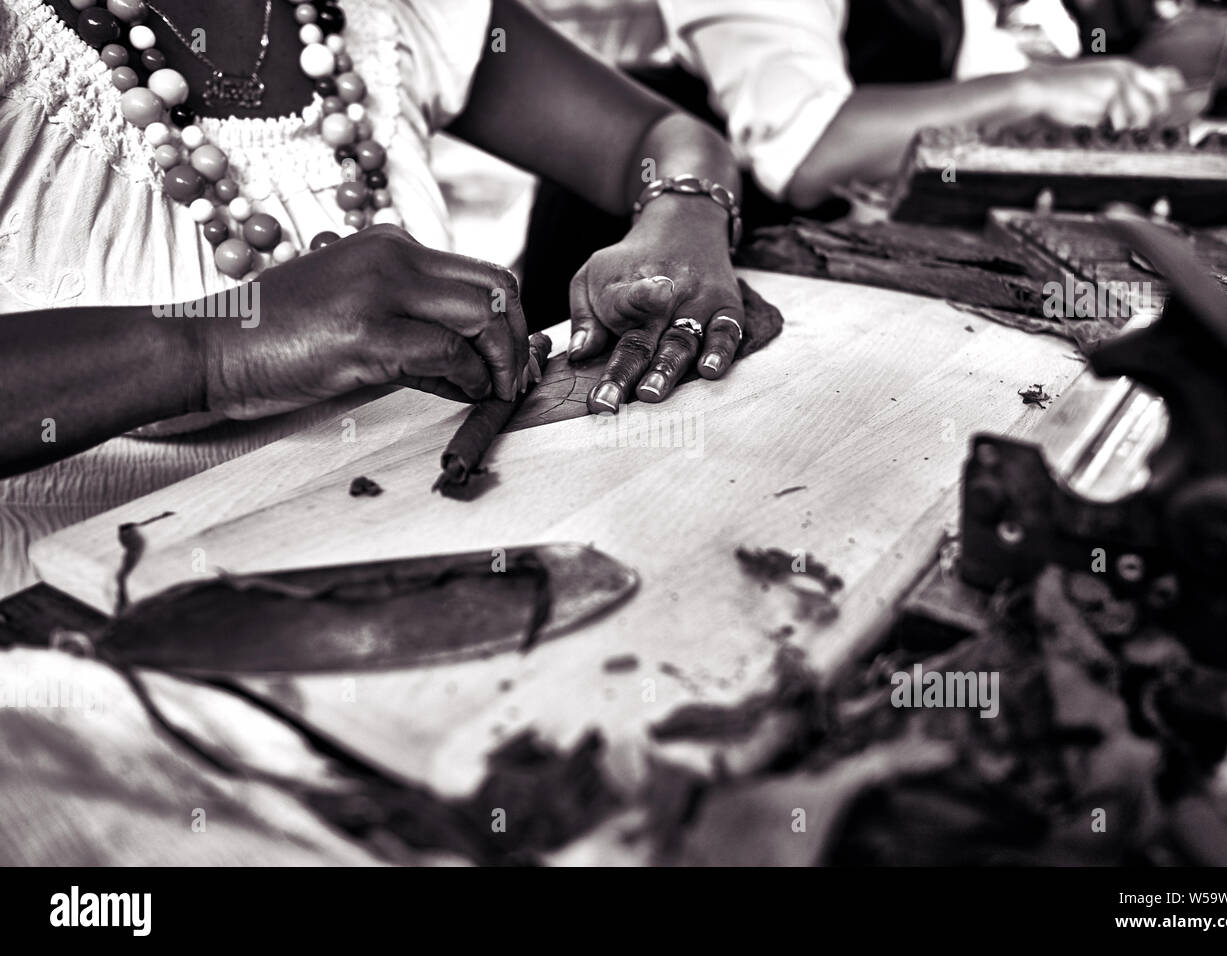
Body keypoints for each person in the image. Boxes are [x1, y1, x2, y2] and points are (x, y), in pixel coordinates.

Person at [0, 0, 748, 595]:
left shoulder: (379, 13)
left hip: (413, 566)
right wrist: (214, 349)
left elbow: (662, 132)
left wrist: (684, 209)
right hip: (72, 631)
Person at [521, 0, 1189, 318]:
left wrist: (1086, 94)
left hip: (810, 275)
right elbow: (810, 149)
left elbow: (986, 92)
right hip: (659, 250)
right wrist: (1031, 89)